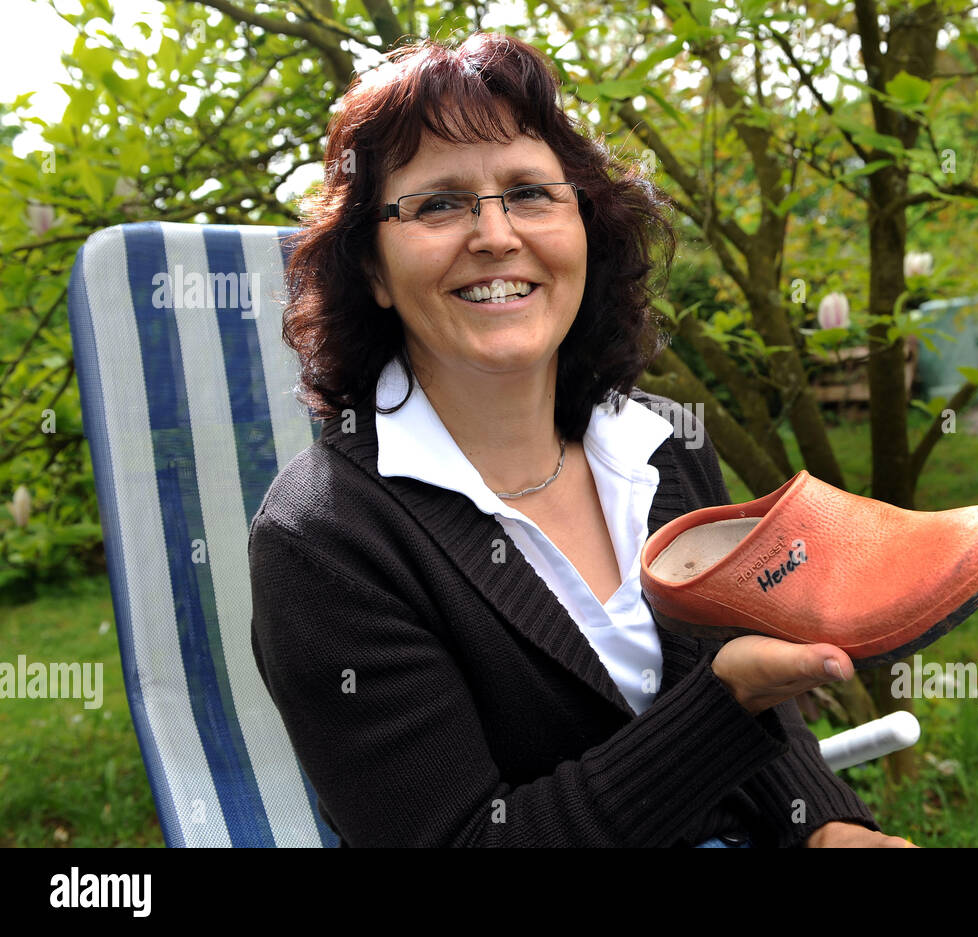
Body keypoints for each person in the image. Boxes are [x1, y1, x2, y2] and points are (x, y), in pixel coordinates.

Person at [249, 32, 917, 848]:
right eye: (438, 203)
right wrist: (723, 703)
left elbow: (761, 717)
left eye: (530, 192)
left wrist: (828, 827)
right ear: (375, 273)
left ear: (586, 234)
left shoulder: (663, 447)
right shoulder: (323, 541)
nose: (495, 235)